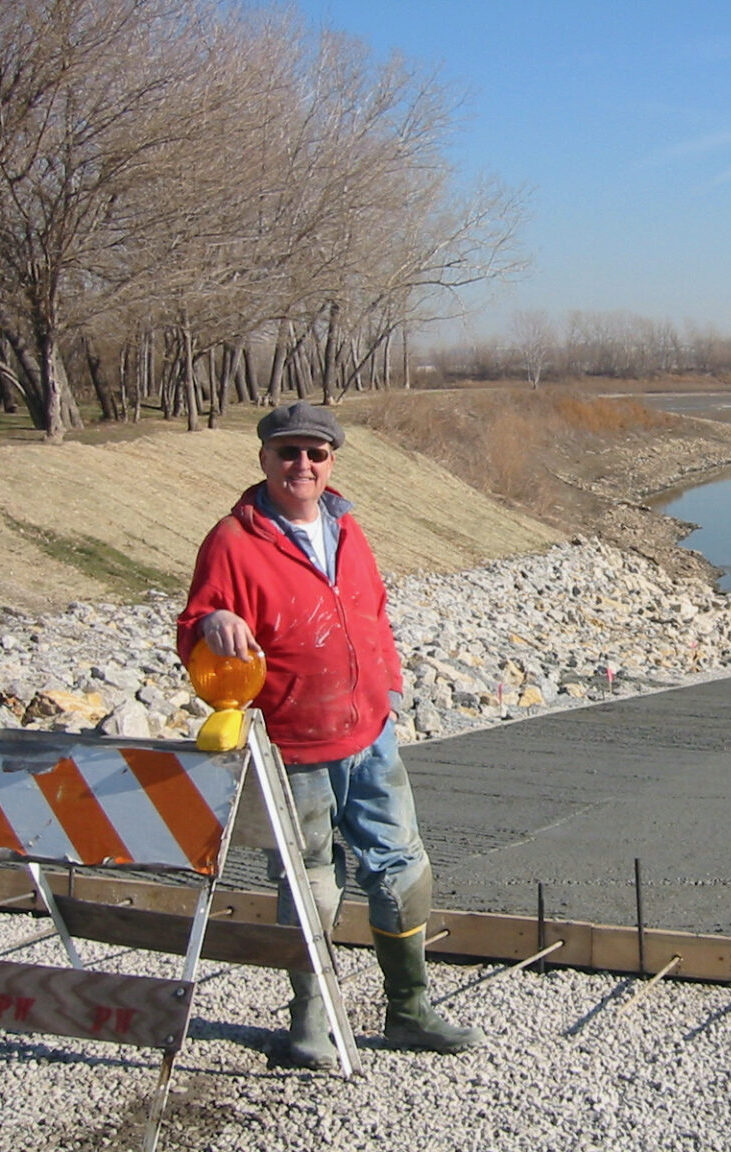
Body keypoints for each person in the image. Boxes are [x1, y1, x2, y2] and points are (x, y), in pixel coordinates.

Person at [177, 399, 483, 1067]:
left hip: (371, 734)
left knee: (403, 870)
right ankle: (309, 1023)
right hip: (295, 744)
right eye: (288, 452)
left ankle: (409, 1009)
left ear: (330, 461)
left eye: (315, 453)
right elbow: (195, 625)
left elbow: (372, 612)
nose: (302, 464)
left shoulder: (348, 528)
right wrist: (209, 626)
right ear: (264, 460)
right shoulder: (232, 540)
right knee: (310, 881)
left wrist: (389, 684)